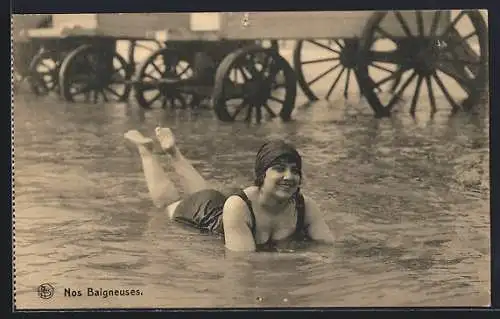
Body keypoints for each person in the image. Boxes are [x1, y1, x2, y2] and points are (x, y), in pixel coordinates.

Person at [124, 127, 335, 252]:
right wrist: (302, 255)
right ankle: (146, 151)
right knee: (165, 204)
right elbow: (245, 262)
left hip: (220, 201)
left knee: (206, 192)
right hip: (201, 212)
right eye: (279, 169)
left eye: (295, 170)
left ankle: (173, 152)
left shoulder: (304, 206)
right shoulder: (238, 205)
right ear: (262, 175)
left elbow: (328, 247)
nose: (289, 177)